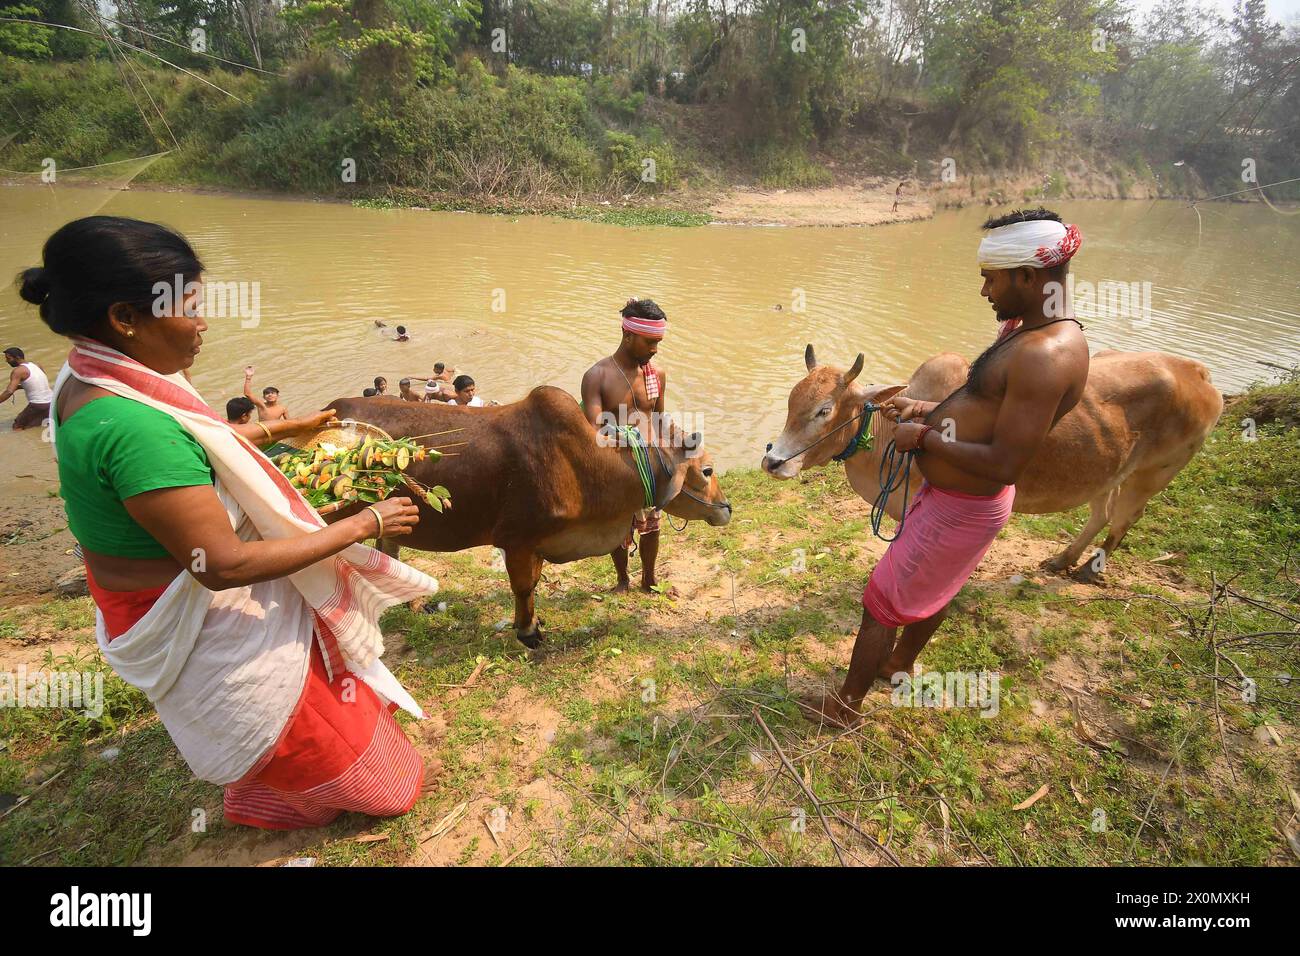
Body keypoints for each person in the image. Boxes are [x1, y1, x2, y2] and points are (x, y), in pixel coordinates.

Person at [19, 215, 438, 829]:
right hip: (189, 602)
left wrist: (277, 429)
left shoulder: (88, 377)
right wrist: (363, 524)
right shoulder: (133, 429)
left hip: (136, 587)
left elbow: (195, 445)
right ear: (125, 318)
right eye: (190, 304)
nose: (203, 320)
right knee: (392, 789)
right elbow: (221, 565)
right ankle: (280, 795)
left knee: (341, 703)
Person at [801, 208, 1089, 728]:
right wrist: (929, 410)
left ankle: (845, 708)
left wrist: (925, 438)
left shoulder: (1044, 354)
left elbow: (1006, 460)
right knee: (935, 586)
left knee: (880, 600)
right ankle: (899, 663)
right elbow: (993, 415)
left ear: (1028, 275)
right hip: (961, 499)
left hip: (964, 505)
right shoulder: (1030, 335)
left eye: (991, 279)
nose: (985, 292)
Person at [579, 298, 669, 593]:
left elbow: (659, 419)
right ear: (628, 335)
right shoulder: (598, 376)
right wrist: (628, 438)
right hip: (615, 464)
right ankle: (622, 579)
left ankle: (649, 578)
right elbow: (594, 428)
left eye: (658, 342)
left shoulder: (657, 375)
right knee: (619, 527)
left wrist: (670, 448)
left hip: (648, 463)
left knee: (652, 525)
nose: (654, 349)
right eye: (649, 342)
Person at [1, 346, 53, 430]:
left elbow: (9, 391)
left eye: (8, 358)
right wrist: (20, 387)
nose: (6, 361)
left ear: (17, 358)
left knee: (17, 427)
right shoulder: (37, 365)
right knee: (37, 425)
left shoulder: (18, 371)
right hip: (51, 401)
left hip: (38, 404)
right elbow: (41, 383)